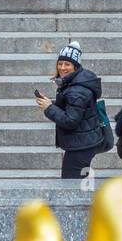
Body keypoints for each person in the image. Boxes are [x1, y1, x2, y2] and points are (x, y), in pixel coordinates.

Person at [36, 41, 107, 180]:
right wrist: (52, 103)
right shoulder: (77, 82)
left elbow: (70, 120)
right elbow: (73, 107)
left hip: (81, 146)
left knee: (71, 184)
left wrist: (49, 108)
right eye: (60, 63)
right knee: (81, 182)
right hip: (84, 142)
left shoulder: (77, 90)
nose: (62, 67)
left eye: (67, 64)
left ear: (75, 66)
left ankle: (82, 202)